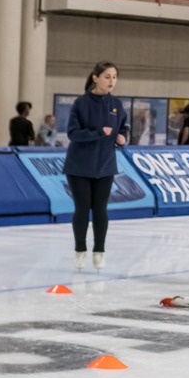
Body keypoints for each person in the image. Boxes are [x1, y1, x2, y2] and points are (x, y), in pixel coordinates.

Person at [64, 61, 129, 271]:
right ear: (95, 78)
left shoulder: (116, 104)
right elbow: (73, 133)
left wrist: (122, 137)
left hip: (106, 166)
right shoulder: (81, 104)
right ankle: (79, 251)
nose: (111, 81)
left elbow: (124, 127)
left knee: (101, 209)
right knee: (82, 209)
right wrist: (99, 133)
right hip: (80, 166)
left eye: (114, 77)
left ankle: (99, 251)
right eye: (107, 76)